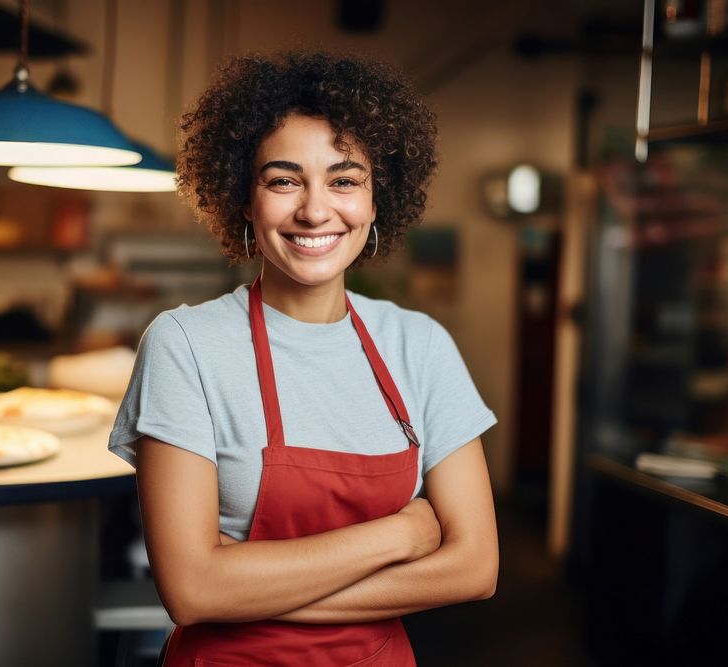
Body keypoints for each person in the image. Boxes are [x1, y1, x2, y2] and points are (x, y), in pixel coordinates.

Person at [109, 50, 499, 666]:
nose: (315, 210)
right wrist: (403, 534)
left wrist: (241, 590)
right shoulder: (185, 345)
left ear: (376, 201)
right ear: (244, 198)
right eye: (283, 180)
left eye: (344, 180)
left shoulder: (419, 345)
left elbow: (473, 568)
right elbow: (190, 590)